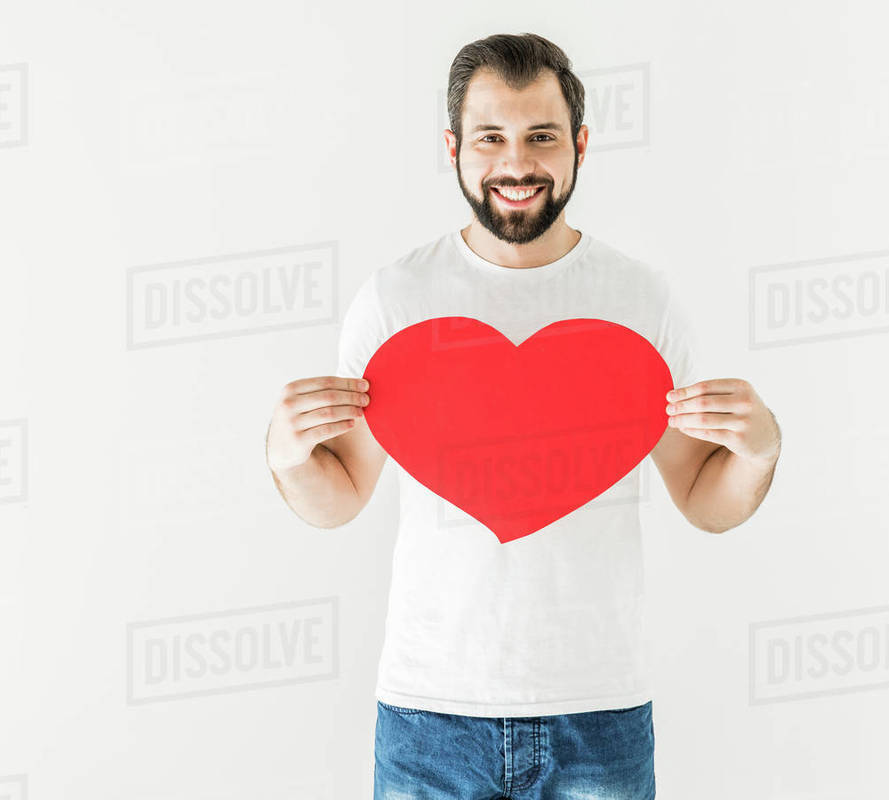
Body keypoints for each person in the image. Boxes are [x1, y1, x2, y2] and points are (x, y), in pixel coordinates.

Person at [265, 31, 782, 800]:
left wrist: (759, 452)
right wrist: (286, 455)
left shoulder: (641, 301)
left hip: (599, 708)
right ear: (453, 147)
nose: (516, 163)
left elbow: (704, 499)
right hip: (429, 711)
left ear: (579, 144)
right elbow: (339, 494)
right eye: (490, 138)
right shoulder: (395, 303)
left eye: (541, 136)